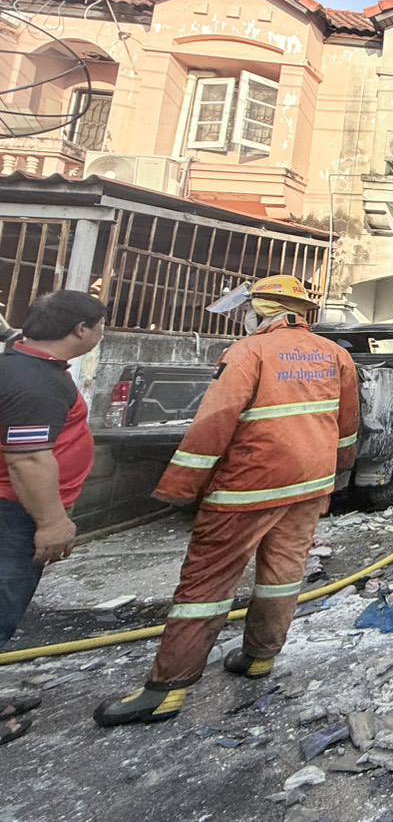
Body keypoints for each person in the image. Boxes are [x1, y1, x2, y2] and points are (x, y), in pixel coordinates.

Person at [95, 275, 359, 728]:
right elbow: (348, 425)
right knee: (282, 577)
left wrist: (181, 487)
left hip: (247, 487)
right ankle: (260, 657)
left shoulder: (247, 353)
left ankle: (166, 689)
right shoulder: (335, 355)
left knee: (206, 585)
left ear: (260, 311)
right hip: (306, 487)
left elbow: (214, 424)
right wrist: (335, 476)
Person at [0, 290, 106, 742]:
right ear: (81, 329)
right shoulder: (34, 384)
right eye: (100, 326)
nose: (101, 333)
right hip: (14, 515)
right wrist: (51, 522)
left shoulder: (28, 365)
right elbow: (26, 460)